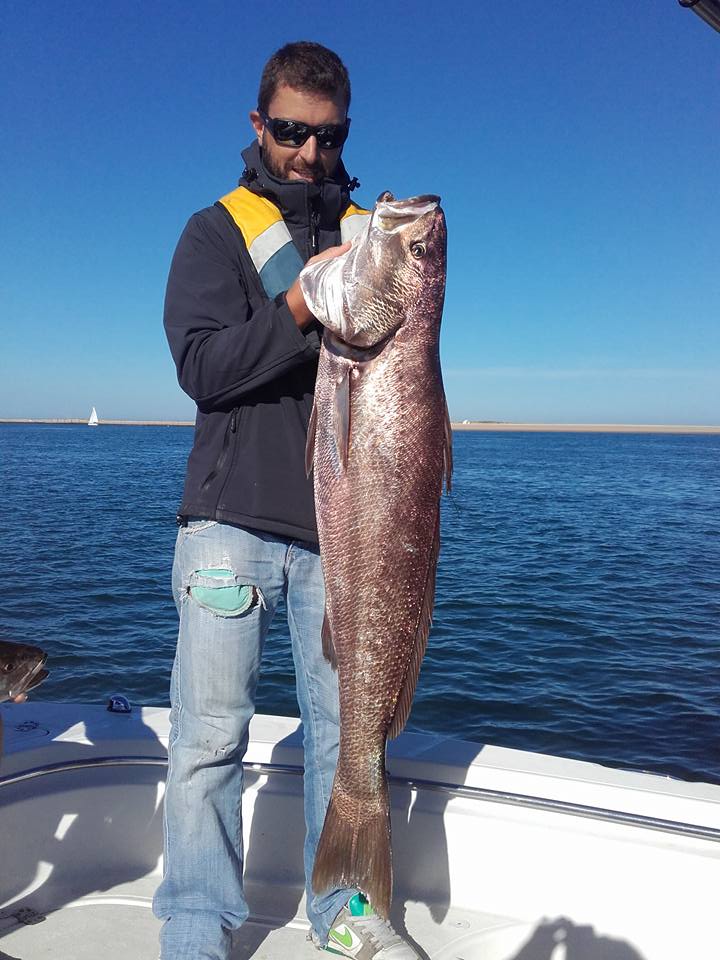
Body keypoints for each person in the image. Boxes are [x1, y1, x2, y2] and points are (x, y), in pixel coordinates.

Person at [153, 42, 421, 960]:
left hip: (342, 545)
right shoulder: (214, 232)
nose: (309, 152)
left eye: (328, 134)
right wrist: (304, 305)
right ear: (258, 124)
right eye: (291, 131)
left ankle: (346, 914)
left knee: (354, 747)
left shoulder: (366, 234)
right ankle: (196, 920)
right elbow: (203, 369)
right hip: (227, 532)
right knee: (207, 743)